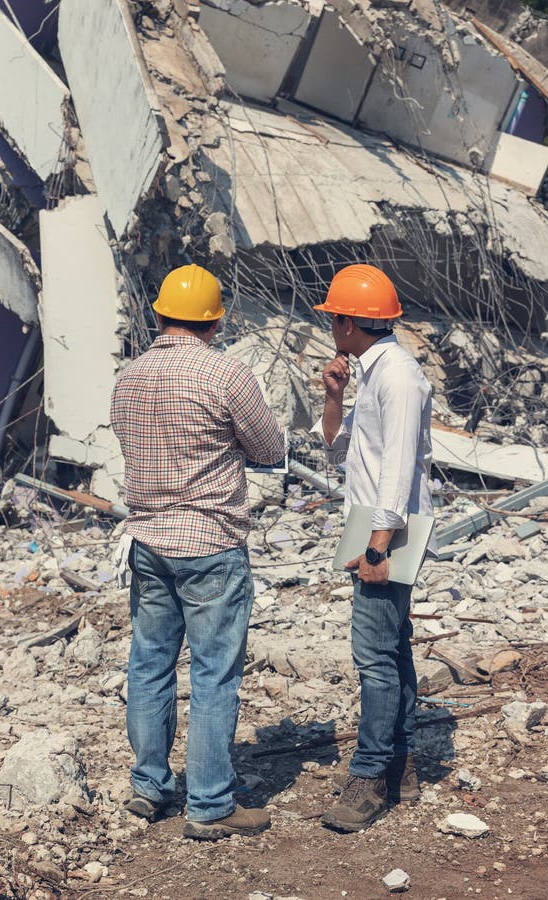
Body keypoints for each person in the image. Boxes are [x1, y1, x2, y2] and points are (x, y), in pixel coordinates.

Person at [110, 263, 285, 841]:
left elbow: (126, 440)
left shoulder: (129, 377)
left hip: (148, 540)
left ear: (159, 314)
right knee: (214, 674)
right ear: (215, 322)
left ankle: (149, 786)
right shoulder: (226, 374)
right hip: (210, 542)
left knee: (150, 664)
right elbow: (269, 448)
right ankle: (209, 803)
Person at [311, 264, 436, 833]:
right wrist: (334, 398)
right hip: (375, 529)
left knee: (374, 657)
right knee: (393, 649)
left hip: (387, 534)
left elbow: (399, 468)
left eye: (333, 319)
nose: (331, 328)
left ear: (347, 322)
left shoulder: (399, 378)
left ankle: (369, 778)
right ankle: (401, 766)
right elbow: (339, 452)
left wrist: (378, 547)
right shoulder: (372, 372)